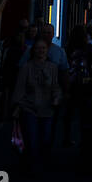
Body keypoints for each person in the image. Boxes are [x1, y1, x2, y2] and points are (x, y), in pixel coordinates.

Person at [12, 39, 61, 174]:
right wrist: (17, 105)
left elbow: (55, 86)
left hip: (47, 108)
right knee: (32, 139)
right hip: (30, 107)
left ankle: (42, 163)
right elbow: (20, 88)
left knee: (45, 138)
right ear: (33, 50)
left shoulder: (52, 68)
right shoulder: (26, 68)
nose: (41, 51)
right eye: (38, 48)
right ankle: (33, 166)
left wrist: (57, 98)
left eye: (43, 48)